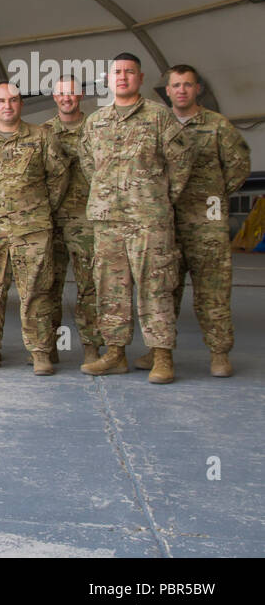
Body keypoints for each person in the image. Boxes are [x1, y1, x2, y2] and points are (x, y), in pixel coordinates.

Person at [79, 53, 192, 383]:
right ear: (108, 79)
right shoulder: (96, 121)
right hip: (107, 220)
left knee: (155, 286)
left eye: (130, 72)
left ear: (141, 79)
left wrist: (158, 198)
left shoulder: (159, 117)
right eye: (117, 72)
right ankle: (115, 354)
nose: (123, 77)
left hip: (149, 220)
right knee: (110, 288)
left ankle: (161, 356)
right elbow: (89, 165)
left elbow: (181, 162)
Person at [131, 64, 250, 377]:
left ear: (197, 89)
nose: (181, 90)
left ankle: (219, 354)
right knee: (162, 292)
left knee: (213, 291)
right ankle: (160, 353)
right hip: (164, 221)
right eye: (176, 85)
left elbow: (239, 166)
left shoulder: (217, 125)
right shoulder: (157, 123)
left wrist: (213, 194)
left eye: (187, 84)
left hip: (205, 224)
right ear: (167, 91)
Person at [0, 83, 68, 375]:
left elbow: (58, 179)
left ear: (20, 104)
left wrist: (36, 209)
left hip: (32, 228)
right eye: (1, 101)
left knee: (36, 289)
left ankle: (40, 351)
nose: (7, 105)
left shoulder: (42, 137)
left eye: (13, 100)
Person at [44, 75, 102, 365]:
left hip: (86, 221)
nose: (66, 98)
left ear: (80, 95)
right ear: (54, 97)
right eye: (60, 94)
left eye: (71, 93)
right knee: (48, 286)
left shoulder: (96, 129)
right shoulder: (43, 133)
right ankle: (48, 346)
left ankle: (91, 347)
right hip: (51, 222)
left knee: (90, 286)